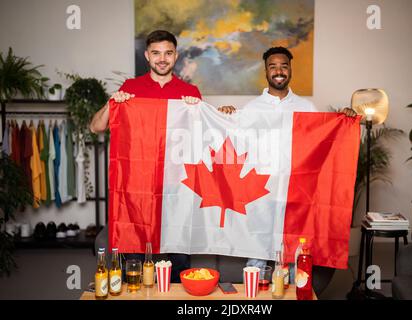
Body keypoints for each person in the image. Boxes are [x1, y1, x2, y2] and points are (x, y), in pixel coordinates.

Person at [217, 46, 356, 281]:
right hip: (261, 194)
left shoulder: (306, 108)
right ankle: (255, 301)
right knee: (257, 254)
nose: (278, 71)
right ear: (266, 72)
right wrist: (224, 116)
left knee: (294, 254)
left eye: (284, 66)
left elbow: (323, 143)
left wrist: (344, 121)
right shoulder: (251, 110)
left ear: (290, 70)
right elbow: (234, 146)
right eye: (273, 66)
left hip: (296, 193)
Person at [90, 29, 201, 282]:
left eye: (168, 53)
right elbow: (95, 127)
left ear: (176, 56)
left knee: (177, 267)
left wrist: (202, 113)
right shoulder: (130, 89)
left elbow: (207, 142)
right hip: (135, 194)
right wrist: (113, 103)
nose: (162, 59)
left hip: (176, 193)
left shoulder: (190, 93)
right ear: (147, 56)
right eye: (156, 53)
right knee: (135, 269)